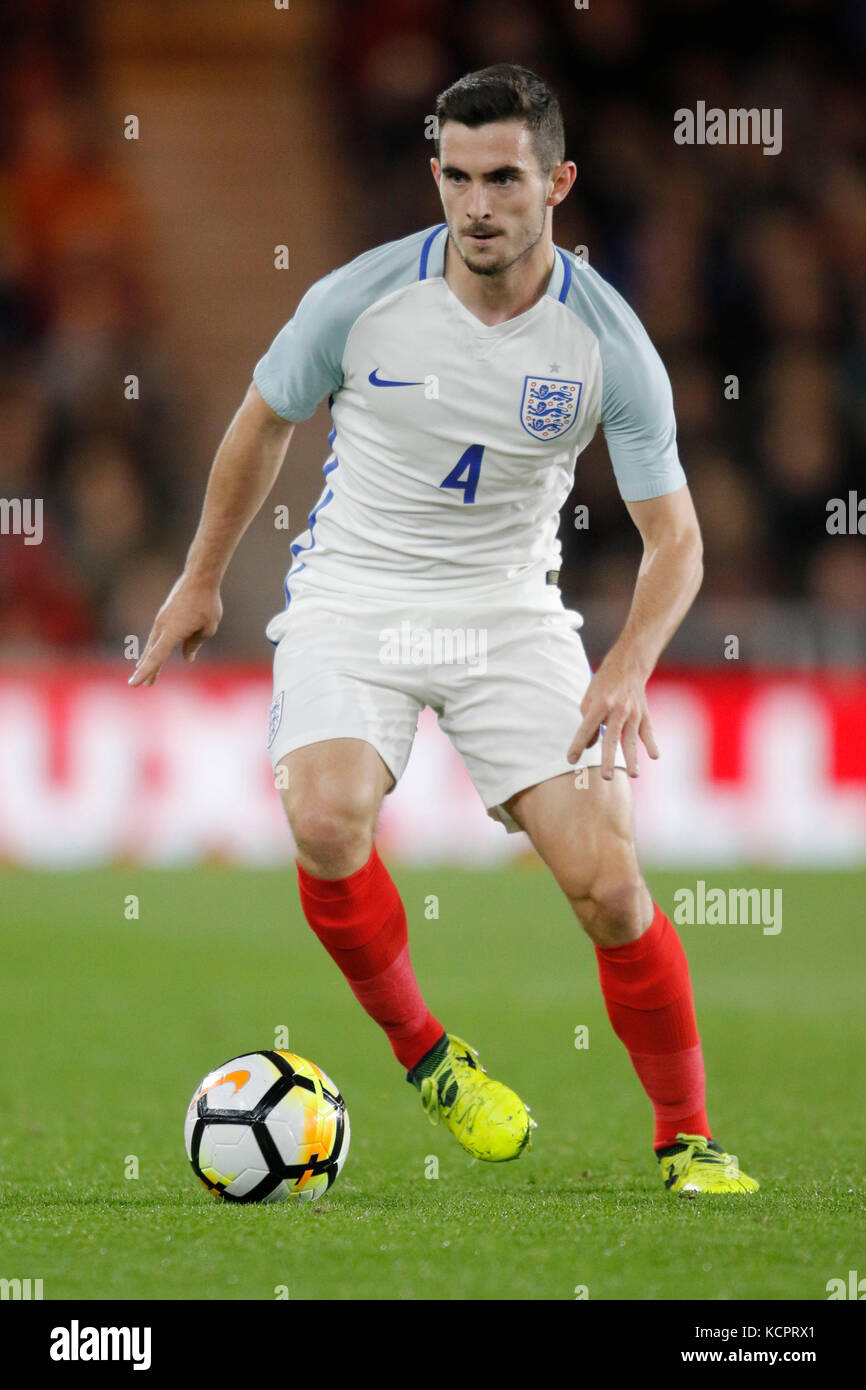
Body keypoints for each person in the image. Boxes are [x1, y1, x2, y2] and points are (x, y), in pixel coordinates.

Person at [132, 64, 757, 1195]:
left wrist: (625, 662)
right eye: (458, 177)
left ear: (555, 181)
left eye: (504, 179)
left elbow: (678, 543)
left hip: (509, 612)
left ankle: (686, 1139)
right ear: (435, 175)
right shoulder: (357, 300)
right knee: (324, 820)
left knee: (610, 887)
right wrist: (200, 577)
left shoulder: (607, 342)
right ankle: (427, 1055)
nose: (478, 205)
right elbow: (261, 420)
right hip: (355, 593)